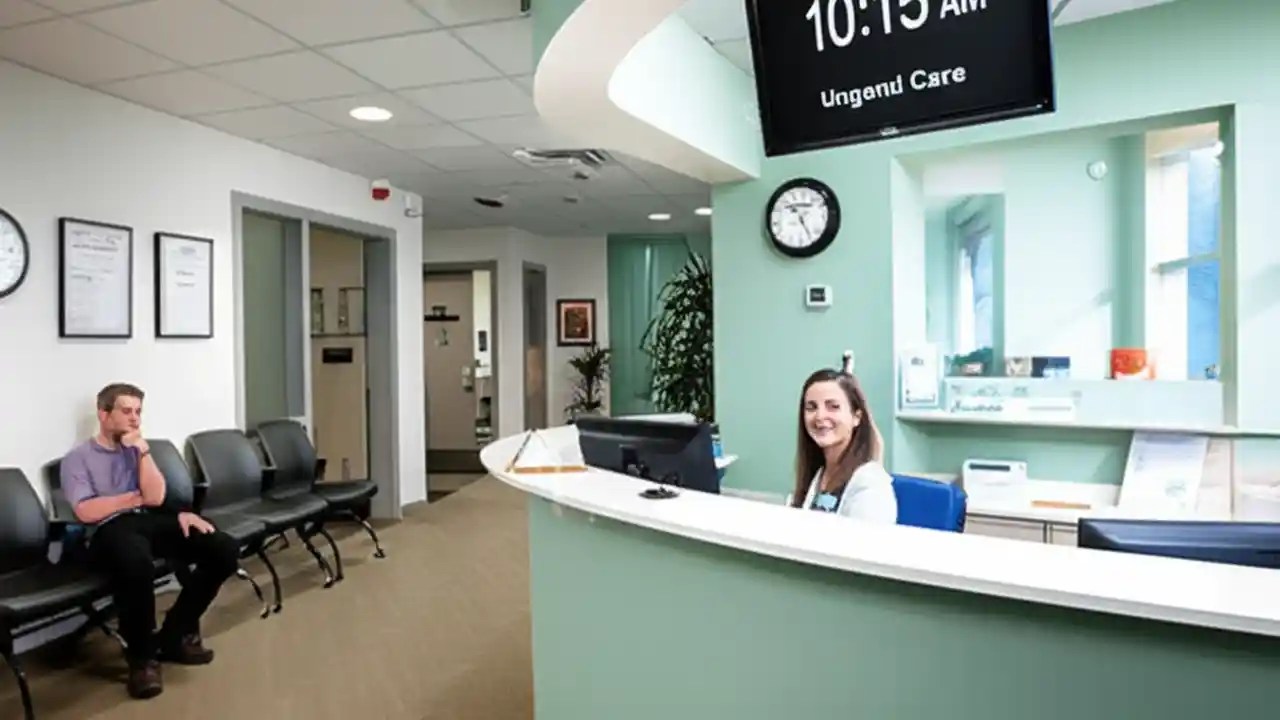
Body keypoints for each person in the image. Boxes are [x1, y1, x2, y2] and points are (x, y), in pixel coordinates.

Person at [60, 383, 241, 700]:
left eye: (138, 412)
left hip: (148, 520)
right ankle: (142, 660)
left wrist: (142, 451)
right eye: (126, 411)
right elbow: (86, 510)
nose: (134, 419)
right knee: (136, 564)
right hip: (106, 530)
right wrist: (132, 499)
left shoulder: (137, 450)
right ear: (104, 414)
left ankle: (173, 634)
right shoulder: (78, 458)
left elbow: (155, 496)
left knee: (222, 547)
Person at [790, 353, 898, 524]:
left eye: (833, 407)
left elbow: (862, 547)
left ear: (856, 417)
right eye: (811, 407)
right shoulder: (817, 473)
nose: (820, 416)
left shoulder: (870, 486)